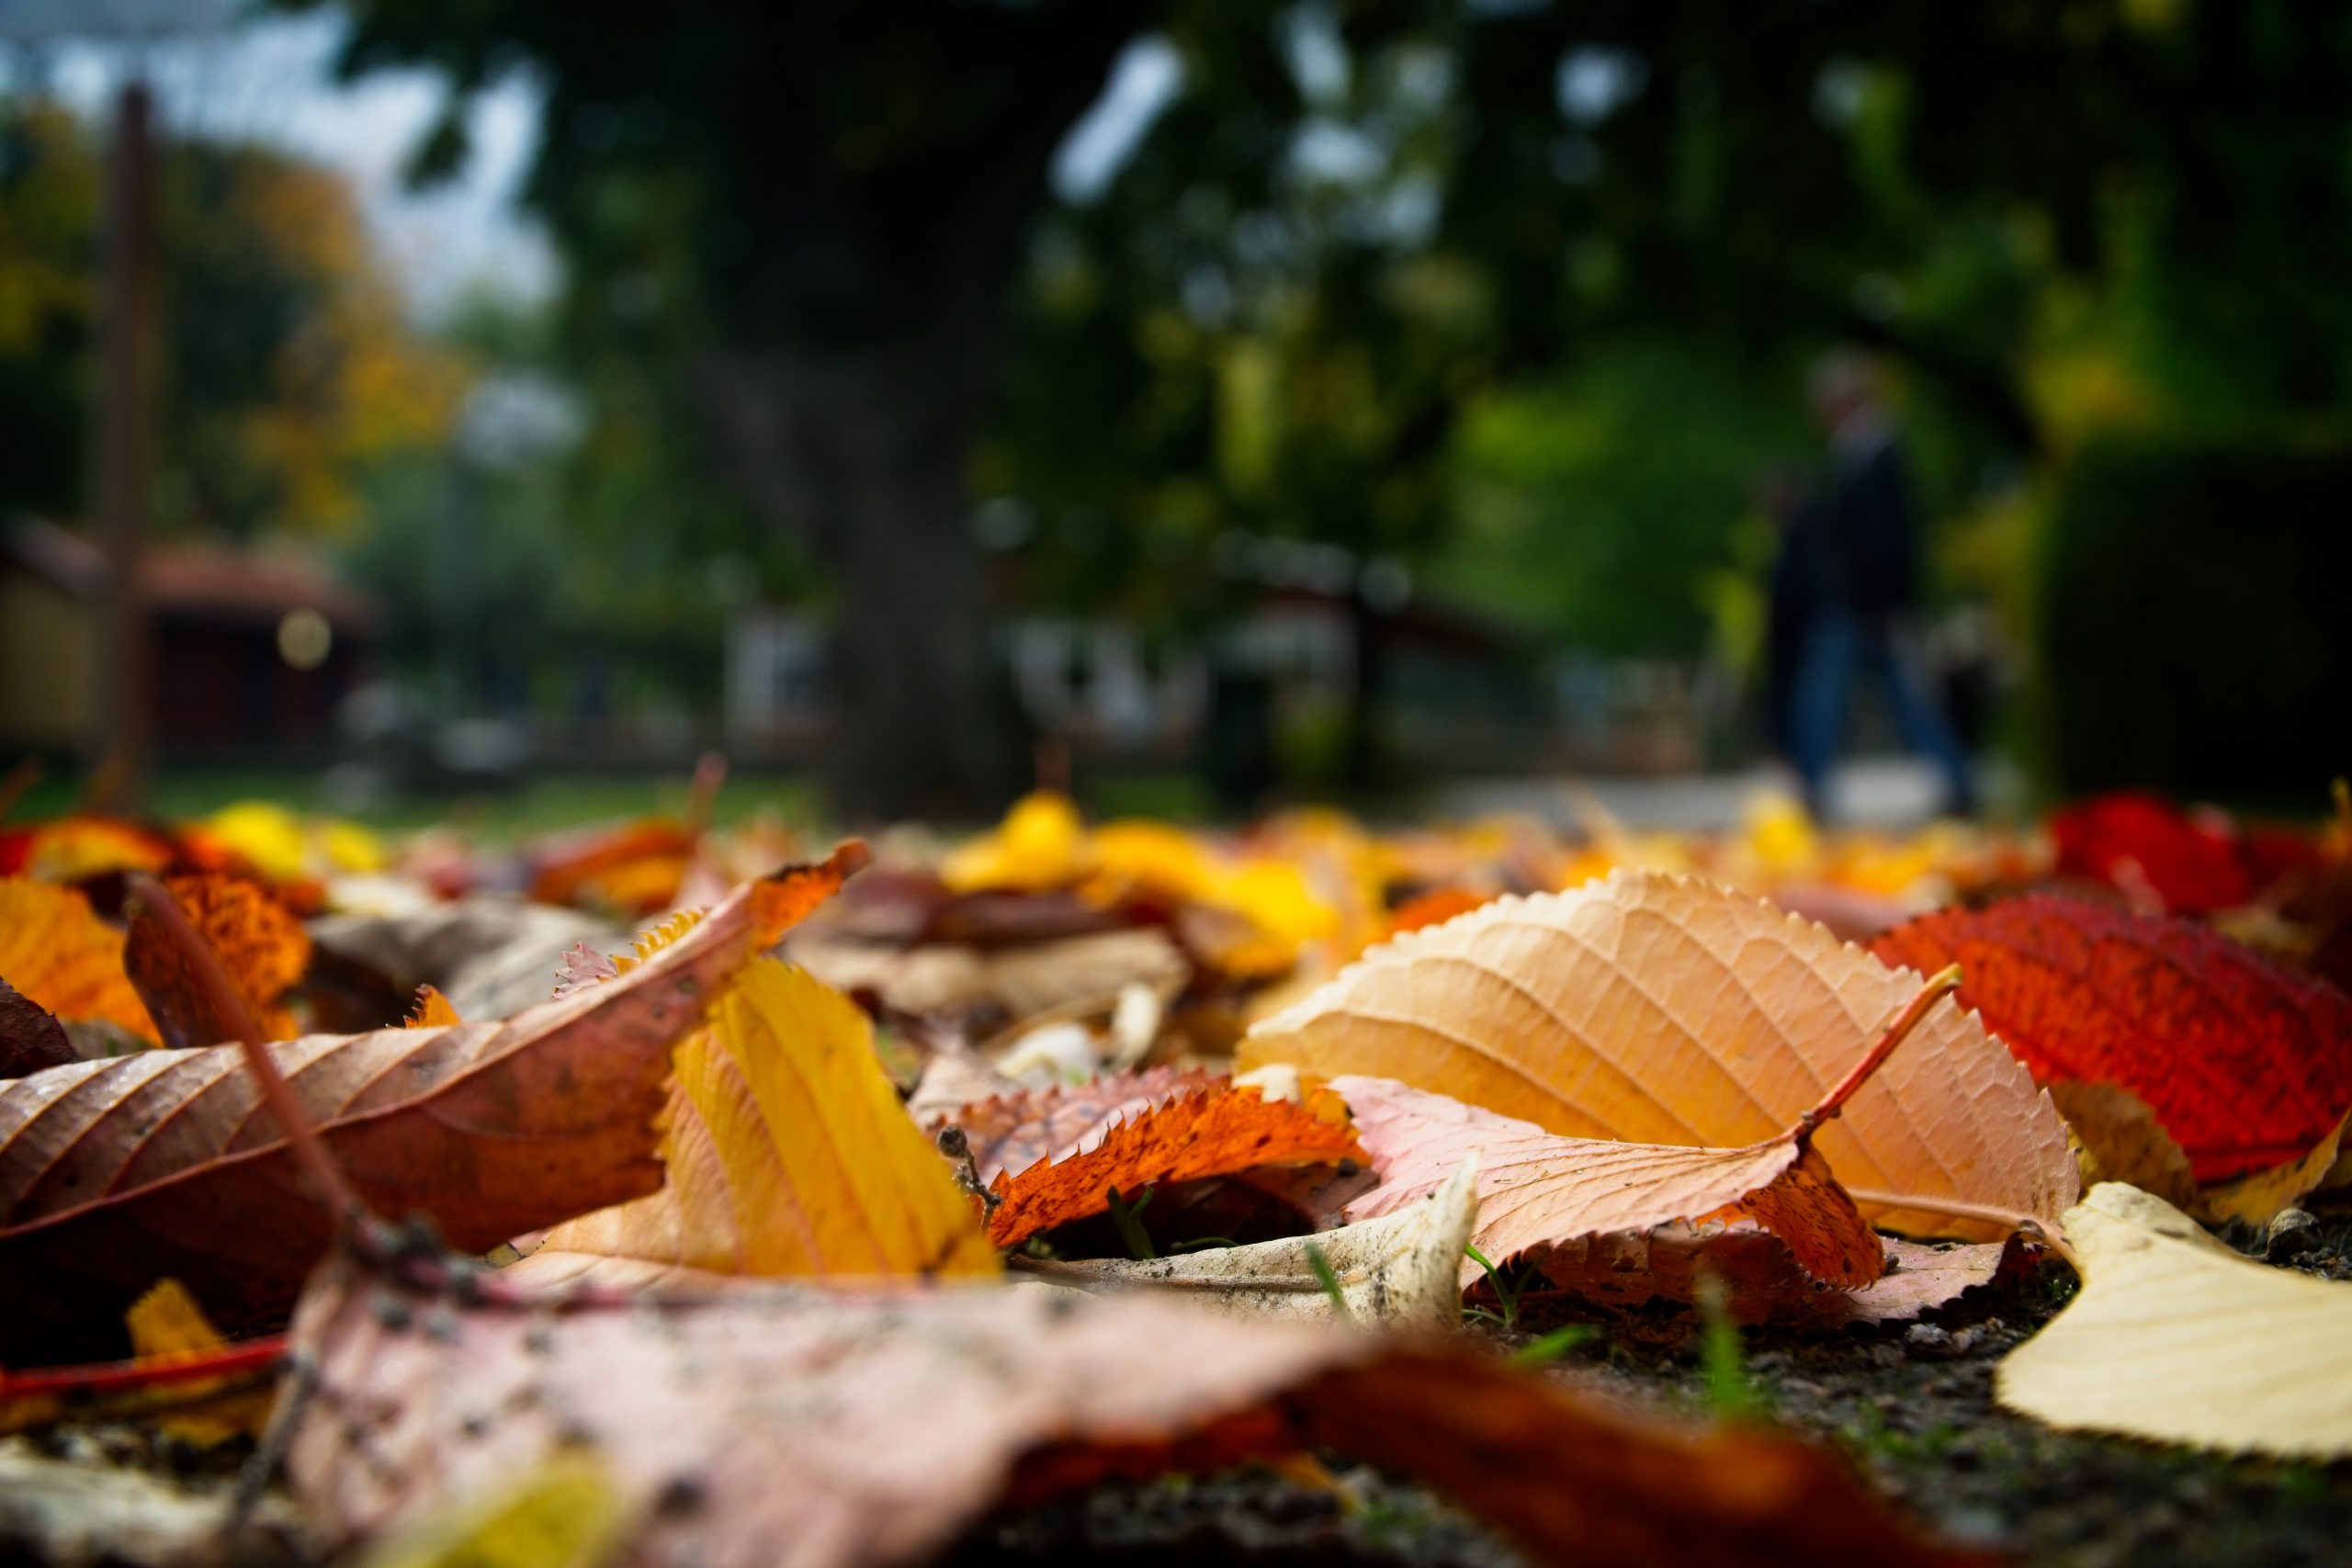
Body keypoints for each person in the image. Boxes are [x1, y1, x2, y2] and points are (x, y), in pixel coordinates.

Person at [1775, 353, 1975, 820]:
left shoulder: (1874, 453)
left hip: (1863, 604)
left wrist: (1886, 601)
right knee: (1897, 699)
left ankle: (1814, 786)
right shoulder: (1859, 451)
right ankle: (1956, 780)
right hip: (1862, 602)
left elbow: (1887, 537)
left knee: (1835, 697)